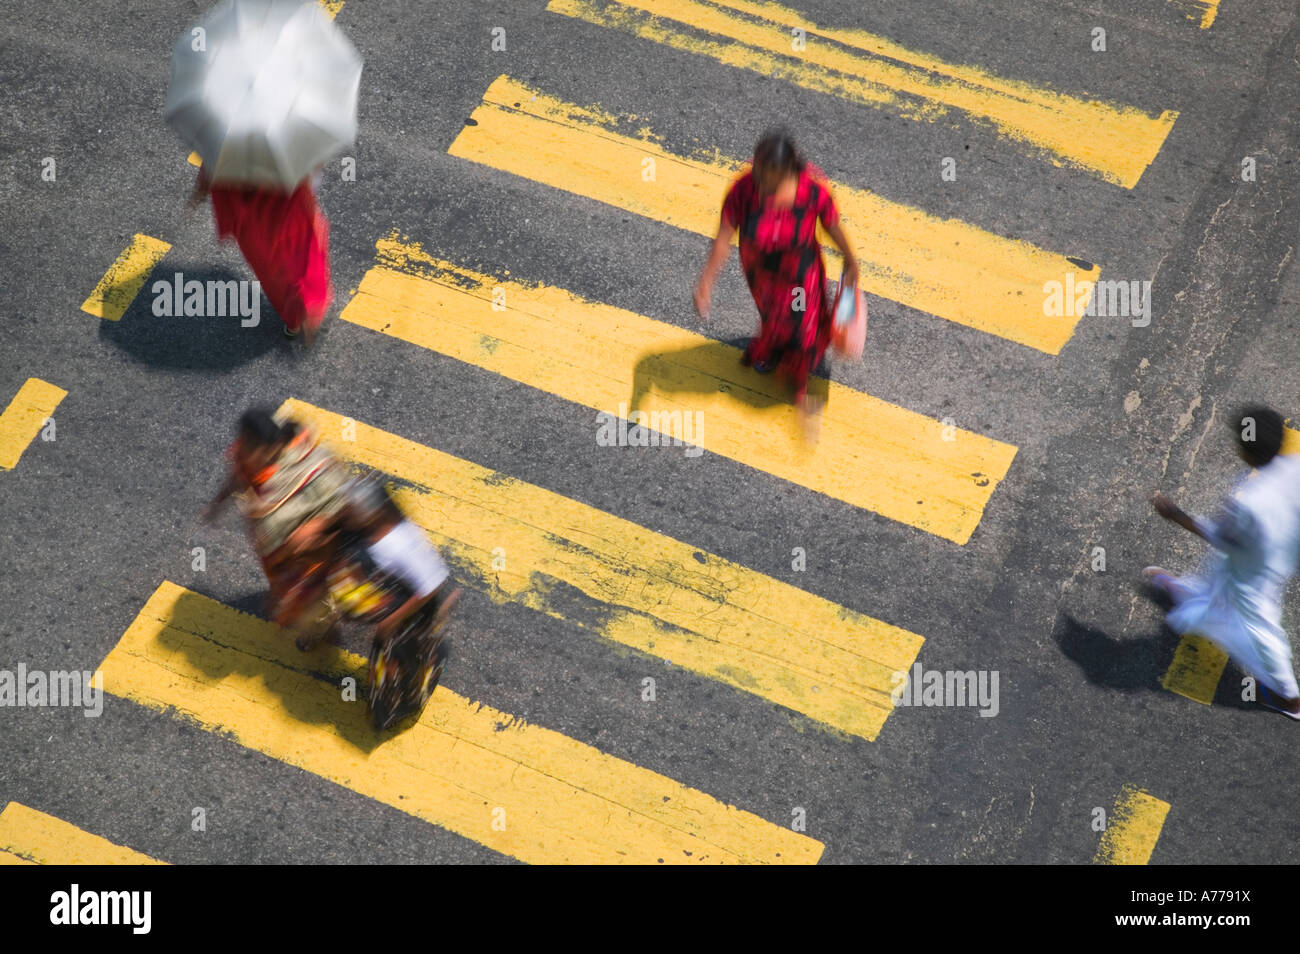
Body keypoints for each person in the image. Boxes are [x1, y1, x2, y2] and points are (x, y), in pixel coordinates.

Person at [694, 129, 859, 425]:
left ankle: (799, 383)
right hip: (762, 275)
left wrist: (850, 258)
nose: (759, 179)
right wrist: (706, 282)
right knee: (772, 318)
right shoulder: (743, 190)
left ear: (787, 172)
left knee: (799, 326)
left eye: (767, 175)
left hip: (799, 278)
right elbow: (723, 237)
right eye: (757, 170)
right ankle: (775, 352)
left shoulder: (811, 192)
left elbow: (832, 225)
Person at [1145, 406, 1300, 719]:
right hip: (1281, 551)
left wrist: (1176, 515)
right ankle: (1185, 595)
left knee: (1260, 626)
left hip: (1253, 568)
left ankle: (1290, 698)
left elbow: (1221, 539)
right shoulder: (1294, 467)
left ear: (1249, 454)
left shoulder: (1250, 501)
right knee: (1220, 585)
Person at [202, 408, 351, 641]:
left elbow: (329, 513)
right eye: (246, 445)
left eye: (254, 450)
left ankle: (323, 623)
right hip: (282, 554)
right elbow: (238, 476)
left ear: (271, 448)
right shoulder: (248, 453)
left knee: (309, 603)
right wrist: (218, 504)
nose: (248, 454)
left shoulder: (293, 474)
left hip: (307, 554)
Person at [189, 164, 333, 344]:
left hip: (251, 211)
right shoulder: (289, 141)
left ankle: (294, 317)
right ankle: (306, 306)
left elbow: (212, 165)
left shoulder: (227, 141)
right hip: (287, 202)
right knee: (302, 249)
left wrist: (201, 189)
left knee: (269, 265)